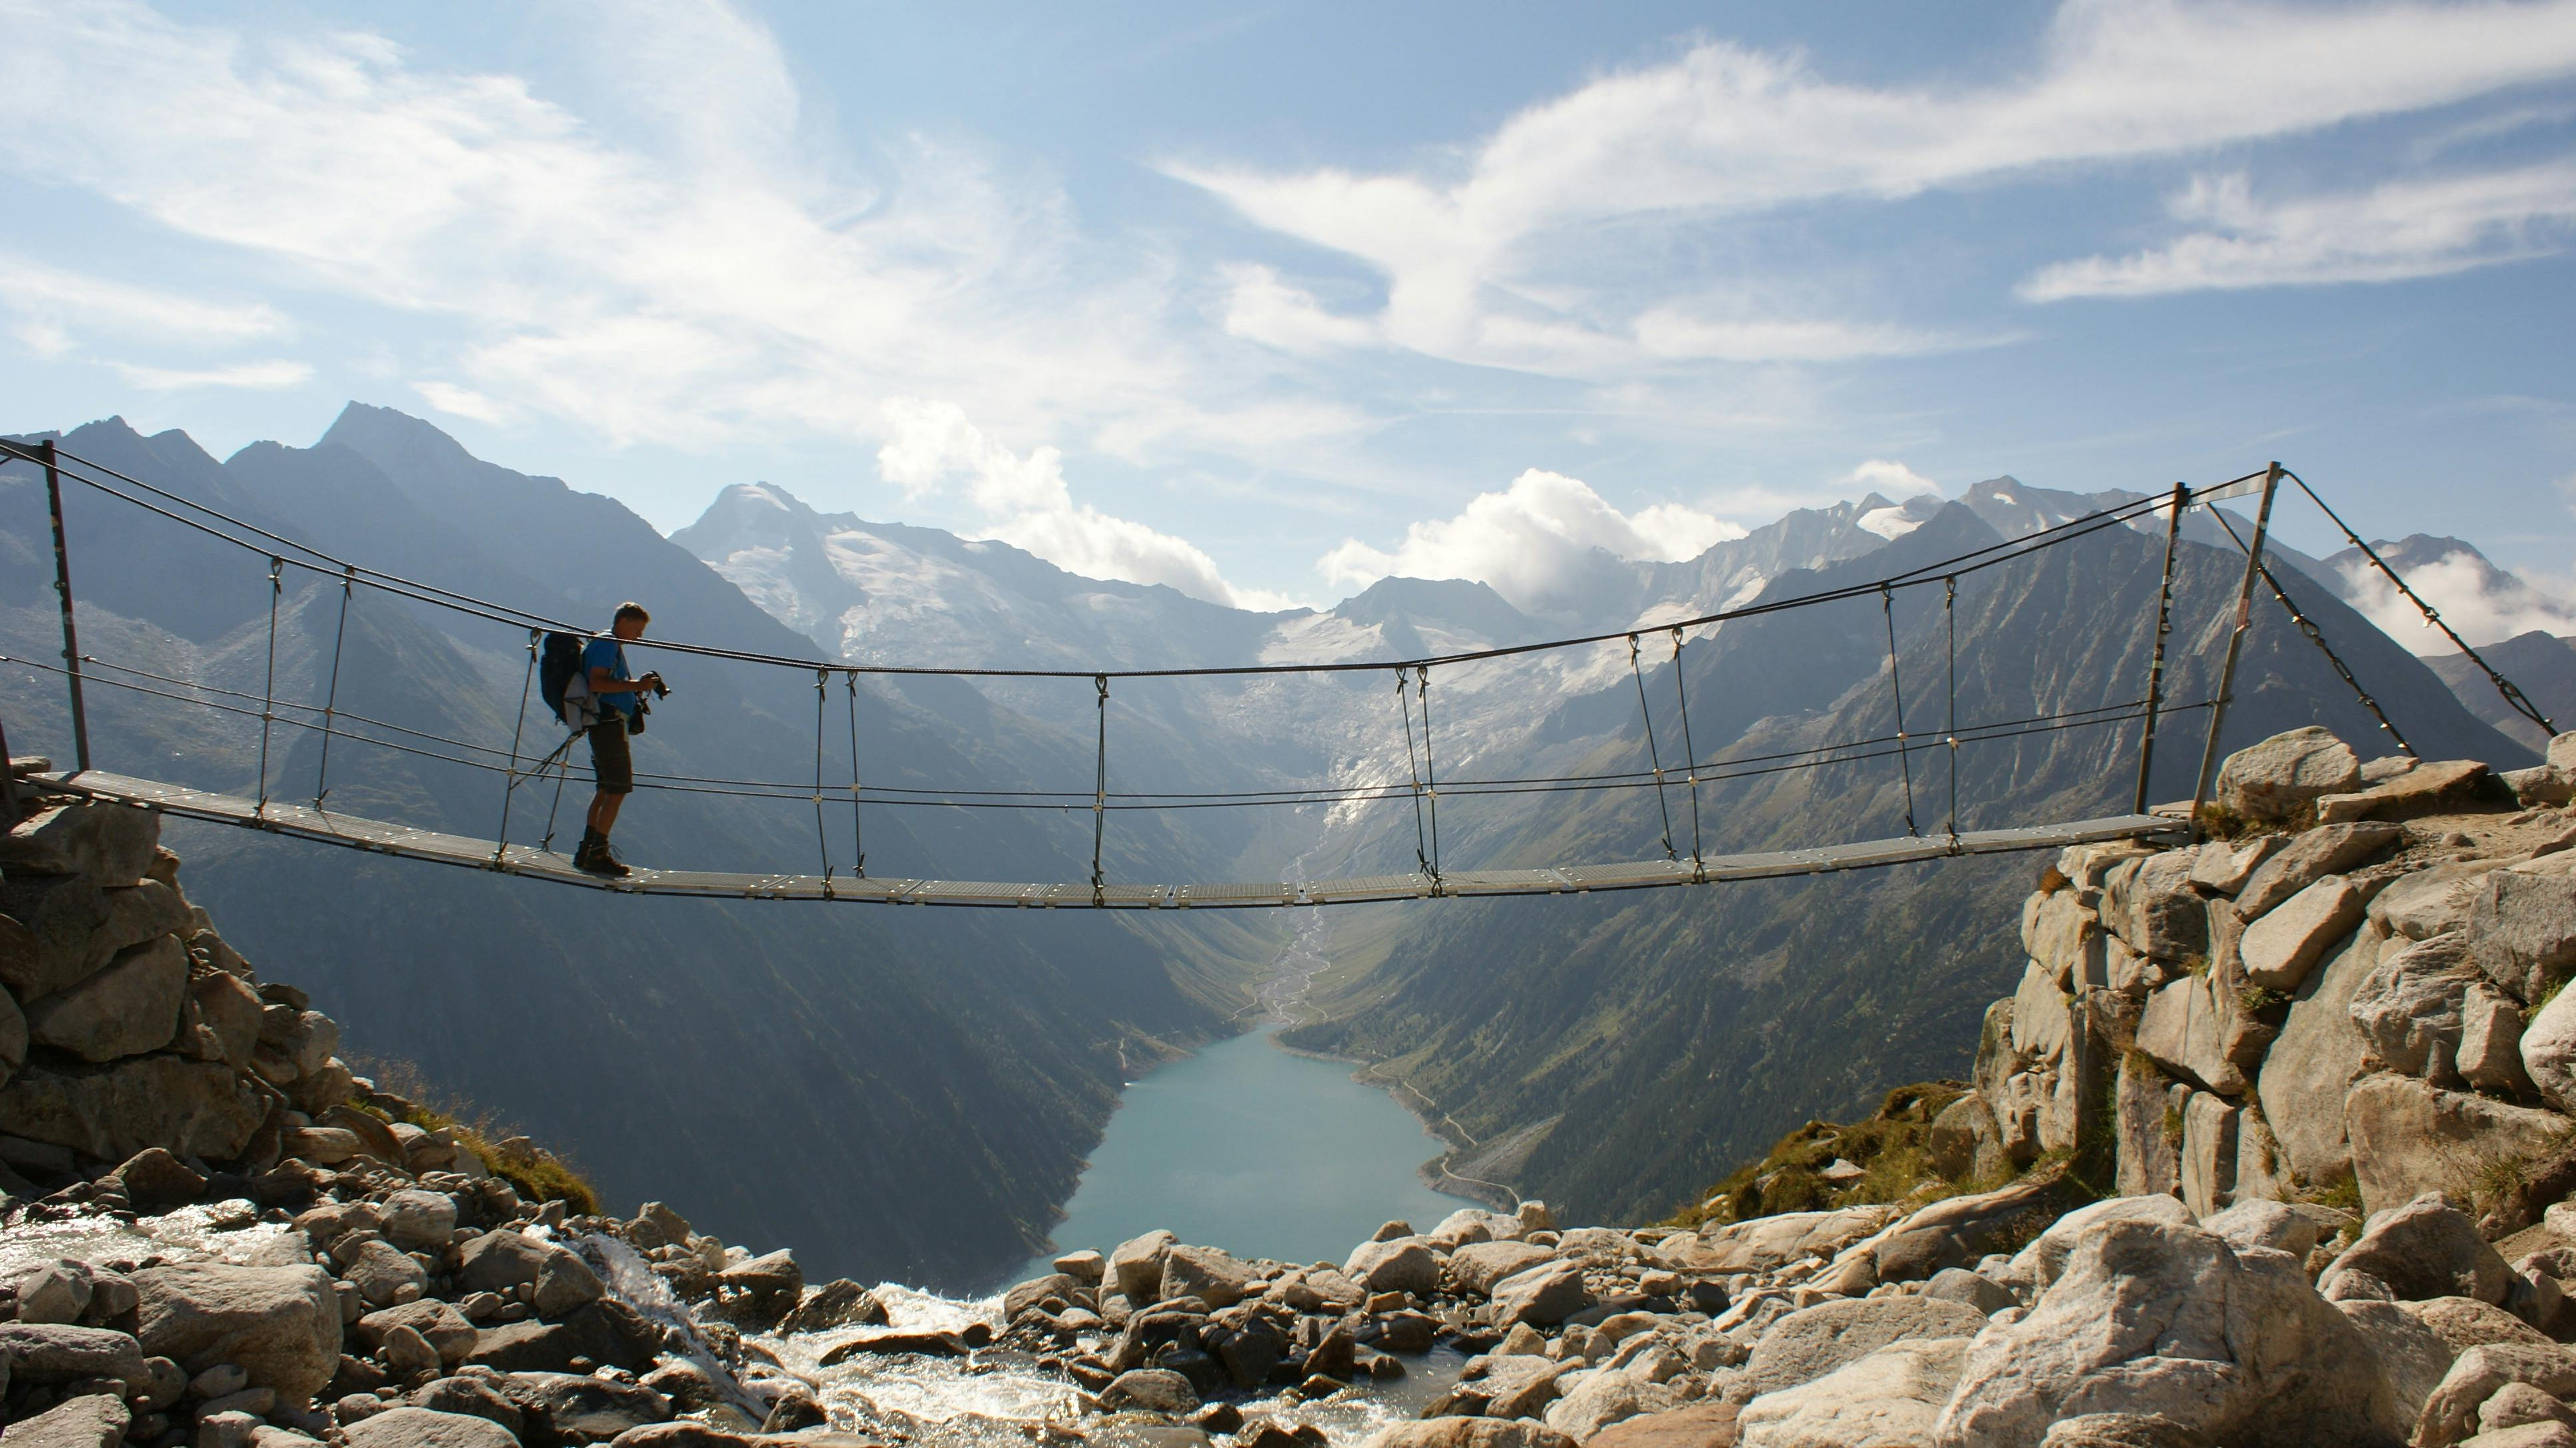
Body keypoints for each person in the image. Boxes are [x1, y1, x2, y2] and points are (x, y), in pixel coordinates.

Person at [575, 602, 664, 877]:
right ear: (624, 621)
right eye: (637, 629)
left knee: (605, 788)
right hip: (610, 723)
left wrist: (637, 685)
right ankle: (598, 854)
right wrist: (637, 686)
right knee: (618, 788)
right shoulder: (607, 644)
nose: (639, 636)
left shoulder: (606, 644)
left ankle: (588, 849)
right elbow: (597, 683)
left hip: (605, 722)